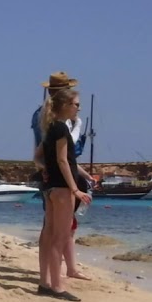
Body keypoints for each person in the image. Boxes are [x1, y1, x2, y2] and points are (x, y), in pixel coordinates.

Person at [31, 71, 94, 281]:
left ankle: (53, 276)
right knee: (57, 232)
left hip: (56, 181)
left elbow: (46, 155)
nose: (78, 107)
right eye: (75, 103)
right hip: (61, 183)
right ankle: (53, 280)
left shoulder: (51, 121)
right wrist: (75, 188)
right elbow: (61, 158)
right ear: (64, 97)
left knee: (57, 229)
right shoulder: (55, 123)